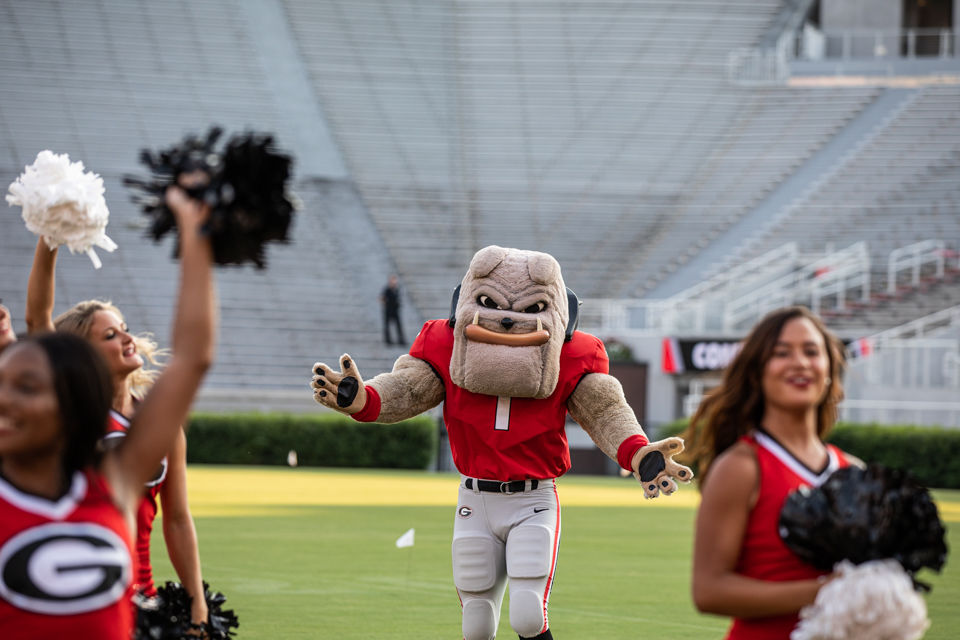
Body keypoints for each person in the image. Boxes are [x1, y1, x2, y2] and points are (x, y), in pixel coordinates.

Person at [0, 185, 215, 639]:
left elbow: (177, 518)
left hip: (142, 602)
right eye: (109, 335)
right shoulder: (75, 420)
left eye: (125, 329)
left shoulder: (142, 441)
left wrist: (198, 609)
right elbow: (39, 320)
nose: (126, 339)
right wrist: (51, 230)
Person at [684, 306, 860, 639]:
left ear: (829, 370)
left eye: (811, 351)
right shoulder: (741, 467)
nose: (800, 363)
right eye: (782, 353)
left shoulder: (852, 470)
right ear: (757, 372)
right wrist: (825, 592)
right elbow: (708, 591)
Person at [380, 274, 405, 345]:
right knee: (387, 325)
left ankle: (401, 340)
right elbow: (382, 298)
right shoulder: (387, 289)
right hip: (388, 310)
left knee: (398, 325)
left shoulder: (397, 289)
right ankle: (388, 341)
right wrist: (386, 304)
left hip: (395, 310)